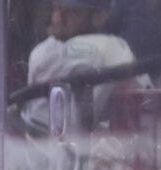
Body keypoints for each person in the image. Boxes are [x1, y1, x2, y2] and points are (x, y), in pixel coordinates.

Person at [21, 0, 150, 136]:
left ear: (99, 17)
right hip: (39, 144)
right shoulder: (43, 51)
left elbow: (144, 98)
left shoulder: (107, 48)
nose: (59, 18)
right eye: (57, 9)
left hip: (80, 147)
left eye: (72, 12)